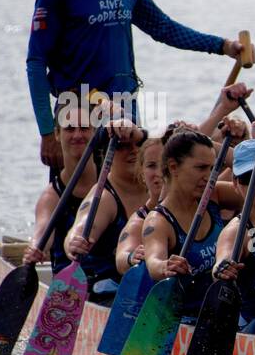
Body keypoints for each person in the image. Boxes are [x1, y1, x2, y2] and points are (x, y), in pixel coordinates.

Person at [26, 0, 248, 168]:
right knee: (81, 193)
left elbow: (163, 27)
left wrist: (223, 46)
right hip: (78, 107)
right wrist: (47, 133)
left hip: (123, 102)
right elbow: (36, 63)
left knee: (130, 186)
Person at [139, 128, 228, 321]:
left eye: (213, 168)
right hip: (182, 318)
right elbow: (153, 262)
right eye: (201, 168)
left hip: (218, 314)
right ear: (173, 167)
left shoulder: (213, 195)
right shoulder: (158, 221)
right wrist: (165, 266)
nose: (209, 176)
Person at [63, 119, 149, 301]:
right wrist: (73, 242)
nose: (133, 151)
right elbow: (81, 227)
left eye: (138, 144)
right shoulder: (104, 198)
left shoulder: (158, 187)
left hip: (144, 288)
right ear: (105, 154)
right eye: (123, 146)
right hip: (105, 291)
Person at [209, 136, 255, 336]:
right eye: (247, 177)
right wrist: (222, 268)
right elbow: (221, 261)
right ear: (235, 184)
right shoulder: (238, 231)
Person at [22, 102, 99, 273]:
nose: (78, 135)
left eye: (84, 128)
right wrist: (35, 248)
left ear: (94, 132)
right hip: (67, 288)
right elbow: (42, 234)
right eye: (70, 129)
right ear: (57, 134)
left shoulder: (111, 182)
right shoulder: (51, 197)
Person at [114, 134, 165, 275]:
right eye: (151, 166)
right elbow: (121, 258)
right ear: (142, 173)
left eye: (164, 164)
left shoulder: (203, 198)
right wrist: (131, 257)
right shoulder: (139, 222)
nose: (159, 172)